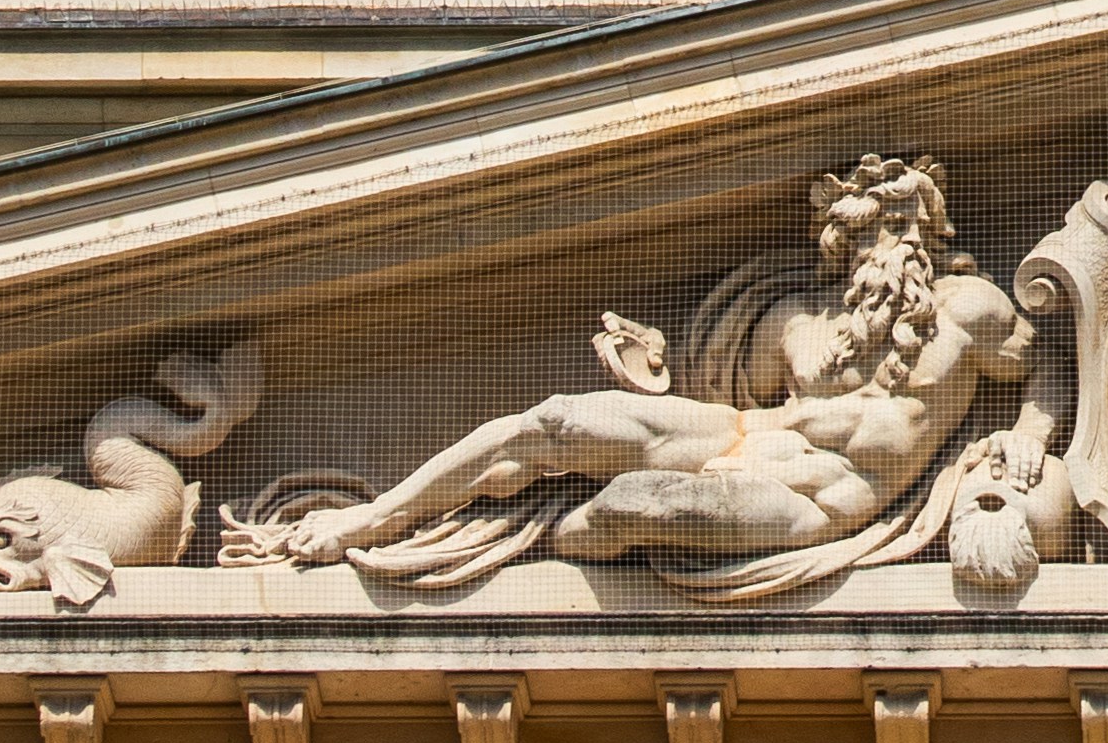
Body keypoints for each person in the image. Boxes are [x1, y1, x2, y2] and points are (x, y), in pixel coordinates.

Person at [292, 153, 1033, 576]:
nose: (887, 243)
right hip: (742, 434)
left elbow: (1053, 368)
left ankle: (512, 537)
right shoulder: (800, 325)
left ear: (930, 232)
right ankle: (376, 517)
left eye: (901, 224)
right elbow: (705, 384)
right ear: (842, 246)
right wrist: (651, 368)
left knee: (633, 503)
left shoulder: (970, 310)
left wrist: (1031, 432)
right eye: (866, 229)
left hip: (825, 498)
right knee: (556, 419)